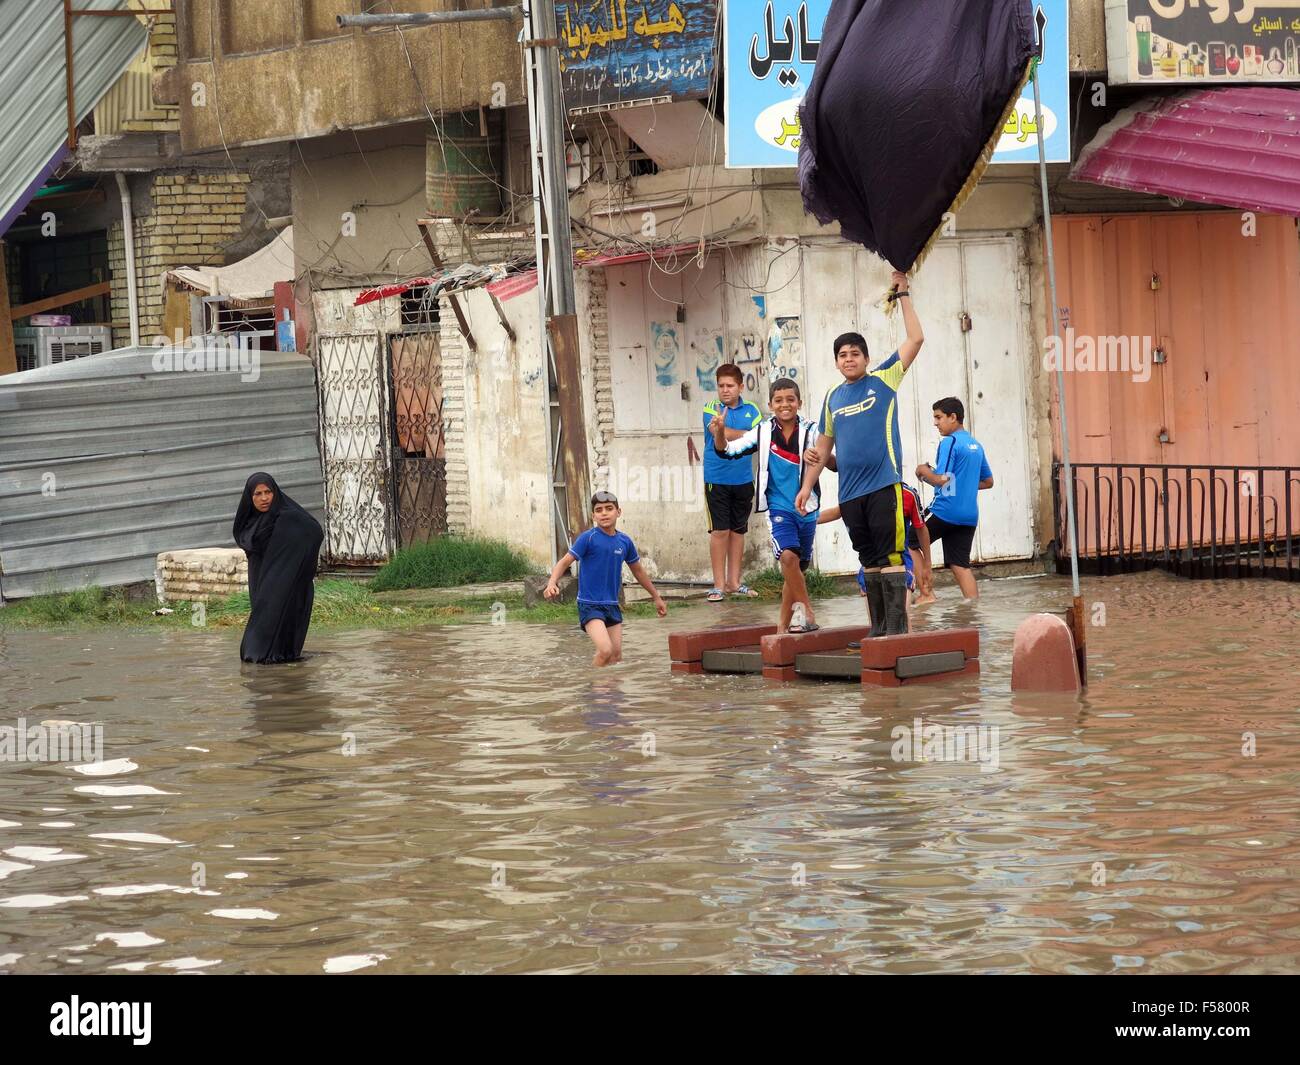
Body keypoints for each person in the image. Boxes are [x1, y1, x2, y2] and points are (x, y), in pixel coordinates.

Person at [796, 270, 924, 636]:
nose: (848, 359)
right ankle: (878, 631)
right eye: (842, 355)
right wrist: (806, 488)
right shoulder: (833, 398)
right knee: (868, 560)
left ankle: (898, 632)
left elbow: (916, 338)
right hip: (850, 494)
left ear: (867, 358)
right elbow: (822, 449)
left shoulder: (884, 379)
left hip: (884, 487)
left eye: (854, 353)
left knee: (892, 557)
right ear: (836, 362)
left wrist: (903, 295)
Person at [711, 377, 835, 634]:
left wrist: (820, 456)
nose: (785, 405)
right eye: (778, 400)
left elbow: (833, 464)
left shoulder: (813, 431)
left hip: (807, 509)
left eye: (790, 399)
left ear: (799, 403)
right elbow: (728, 451)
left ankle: (781, 626)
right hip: (778, 507)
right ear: (770, 404)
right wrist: (720, 433)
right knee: (788, 557)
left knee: (796, 569)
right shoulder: (763, 431)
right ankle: (807, 611)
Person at [543, 490, 667, 667]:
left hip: (612, 604)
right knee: (605, 650)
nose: (604, 513)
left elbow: (638, 572)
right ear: (593, 516)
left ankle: (608, 690)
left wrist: (656, 597)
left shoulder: (624, 541)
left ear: (618, 512)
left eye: (609, 508)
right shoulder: (588, 538)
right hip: (589, 604)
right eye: (599, 510)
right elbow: (564, 562)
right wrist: (551, 582)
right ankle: (593, 686)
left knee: (616, 656)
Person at [232, 471, 324, 664]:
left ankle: (275, 657)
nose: (264, 498)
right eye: (258, 494)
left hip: (286, 581)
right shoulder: (249, 522)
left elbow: (314, 531)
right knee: (264, 615)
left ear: (275, 492)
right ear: (250, 497)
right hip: (259, 577)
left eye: (268, 492)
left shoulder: (287, 517)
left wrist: (298, 569)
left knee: (279, 620)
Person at [819, 481, 926, 640]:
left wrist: (927, 565)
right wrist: (804, 519)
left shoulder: (907, 493)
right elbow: (839, 511)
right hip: (870, 566)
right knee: (879, 626)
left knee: (900, 621)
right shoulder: (861, 490)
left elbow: (921, 528)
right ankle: (881, 656)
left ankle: (906, 653)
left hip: (898, 563)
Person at [916, 397, 994, 600]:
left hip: (945, 510)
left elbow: (941, 480)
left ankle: (926, 593)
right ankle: (973, 611)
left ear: (953, 417)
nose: (935, 423)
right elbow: (988, 481)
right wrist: (963, 483)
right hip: (968, 515)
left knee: (908, 542)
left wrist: (923, 470)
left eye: (938, 417)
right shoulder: (975, 445)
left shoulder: (950, 442)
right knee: (960, 564)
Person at [702, 363, 763, 601]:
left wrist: (732, 430)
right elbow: (723, 433)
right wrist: (741, 432)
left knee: (738, 530)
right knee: (720, 531)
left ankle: (734, 582)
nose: (725, 390)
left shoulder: (752, 409)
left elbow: (760, 435)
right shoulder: (711, 408)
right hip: (716, 478)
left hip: (743, 478)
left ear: (740, 386)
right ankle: (718, 585)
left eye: (730, 386)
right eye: (721, 386)